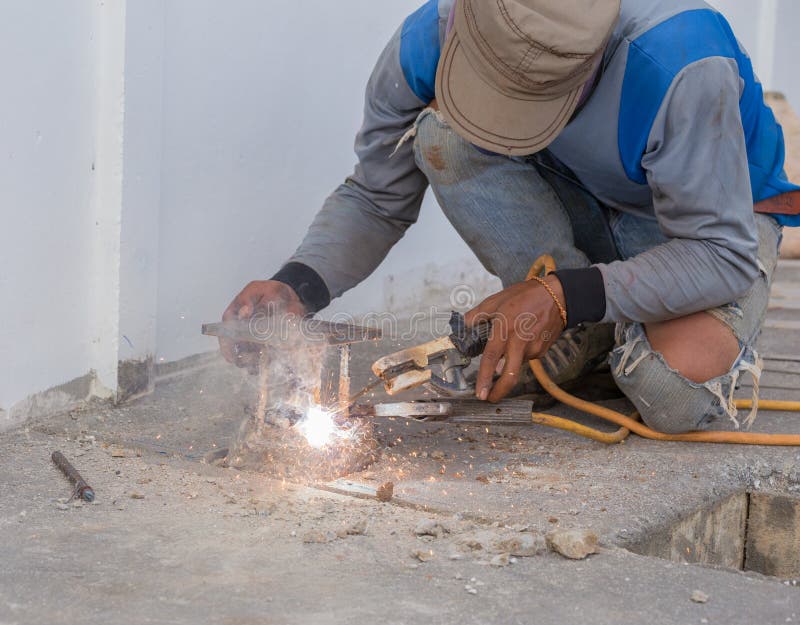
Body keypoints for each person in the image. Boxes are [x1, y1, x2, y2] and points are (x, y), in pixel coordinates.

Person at [220, 0, 800, 434]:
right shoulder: (431, 36)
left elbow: (718, 254)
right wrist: (296, 286)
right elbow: (377, 195)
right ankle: (583, 332)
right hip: (584, 197)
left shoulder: (682, 61)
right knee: (443, 134)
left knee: (667, 392)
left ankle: (587, 319)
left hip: (699, 232)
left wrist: (561, 294)